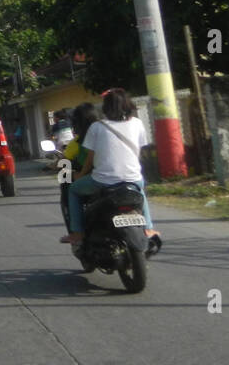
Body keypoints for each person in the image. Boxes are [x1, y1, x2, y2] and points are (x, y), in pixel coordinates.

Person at [61, 88, 160, 246]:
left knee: (73, 190)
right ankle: (148, 228)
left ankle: (77, 233)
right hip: (133, 177)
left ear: (106, 108)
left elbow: (90, 158)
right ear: (128, 105)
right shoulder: (137, 123)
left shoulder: (97, 127)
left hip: (102, 181)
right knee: (140, 190)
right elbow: (138, 151)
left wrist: (81, 174)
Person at [58, 101, 100, 230]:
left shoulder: (80, 140)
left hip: (98, 177)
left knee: (68, 186)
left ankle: (75, 231)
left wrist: (80, 174)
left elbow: (89, 159)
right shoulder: (104, 131)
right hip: (127, 177)